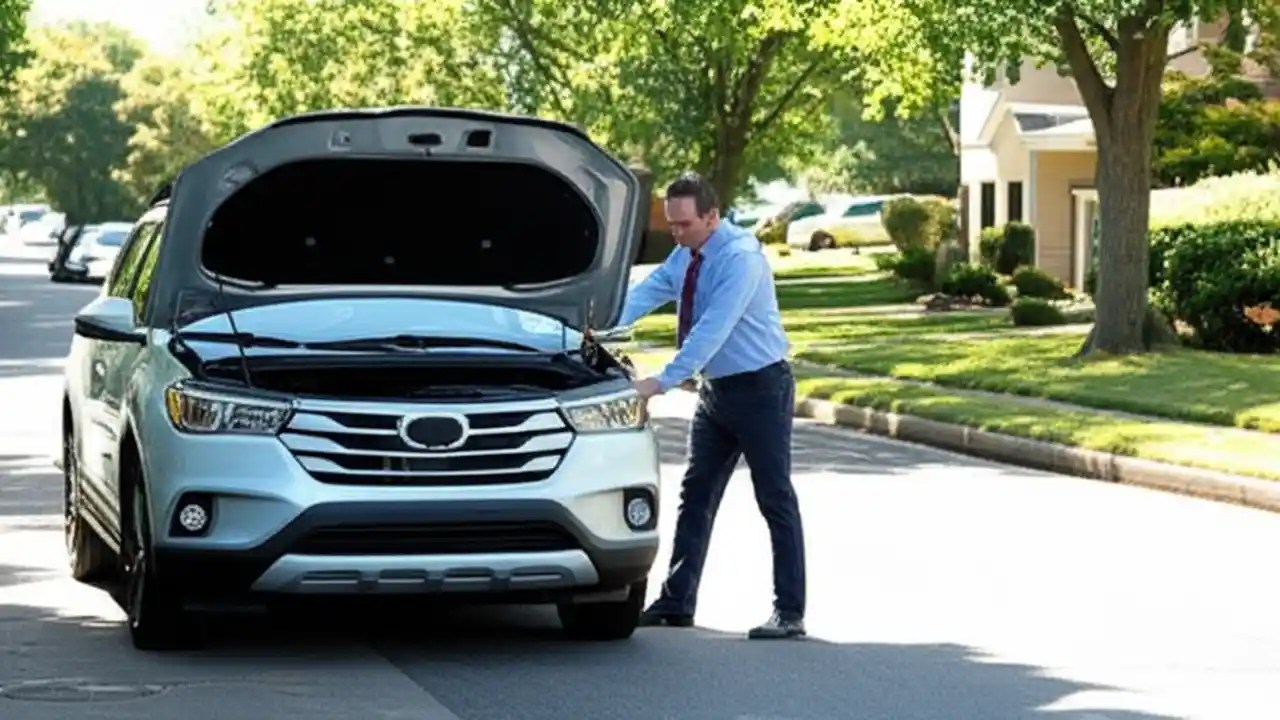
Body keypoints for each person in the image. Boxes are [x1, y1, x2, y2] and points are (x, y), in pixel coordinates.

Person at [611, 171, 807, 639]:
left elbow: (712, 331)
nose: (676, 235)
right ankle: (677, 601)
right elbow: (648, 291)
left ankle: (790, 612)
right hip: (717, 392)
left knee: (774, 497)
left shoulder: (740, 259)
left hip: (761, 389)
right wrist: (598, 323)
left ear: (712, 217)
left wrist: (658, 383)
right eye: (673, 225)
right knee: (695, 495)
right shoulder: (687, 255)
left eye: (685, 225)